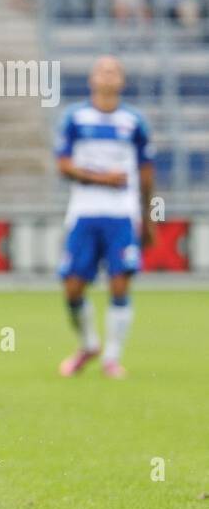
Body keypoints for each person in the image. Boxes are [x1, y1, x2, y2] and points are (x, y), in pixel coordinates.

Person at [56, 56, 155, 379]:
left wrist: (149, 216)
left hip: (121, 215)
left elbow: (146, 172)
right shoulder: (75, 117)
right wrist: (103, 179)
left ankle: (112, 358)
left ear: (121, 81)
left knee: (120, 283)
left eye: (113, 71)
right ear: (92, 79)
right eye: (102, 70)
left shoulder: (134, 122)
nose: (107, 75)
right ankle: (88, 345)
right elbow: (64, 165)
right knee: (72, 287)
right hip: (84, 212)